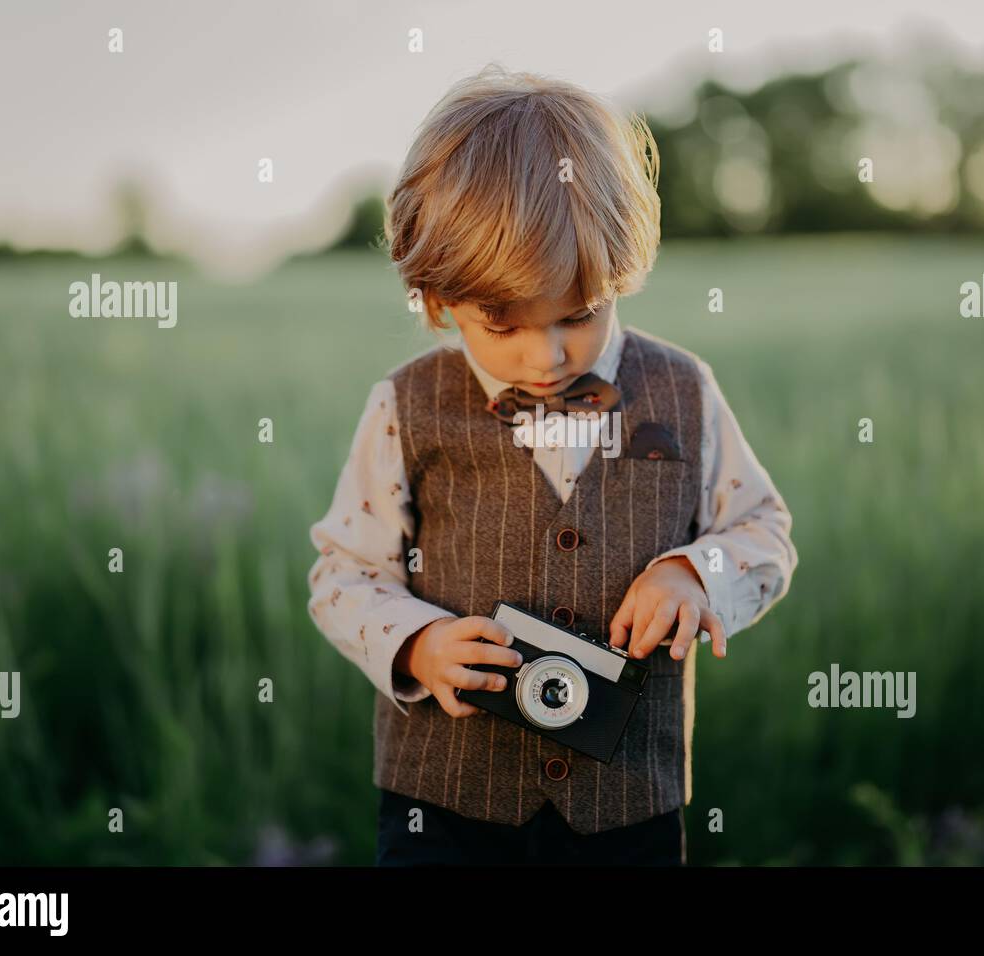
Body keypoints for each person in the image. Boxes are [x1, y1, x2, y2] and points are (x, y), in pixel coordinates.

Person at [307, 64, 798, 866]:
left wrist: (695, 572)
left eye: (580, 315)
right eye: (503, 325)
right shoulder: (405, 406)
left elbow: (764, 531)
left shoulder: (681, 390)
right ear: (438, 302)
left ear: (622, 274)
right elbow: (343, 575)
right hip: (448, 808)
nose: (550, 353)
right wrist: (417, 644)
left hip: (626, 811)